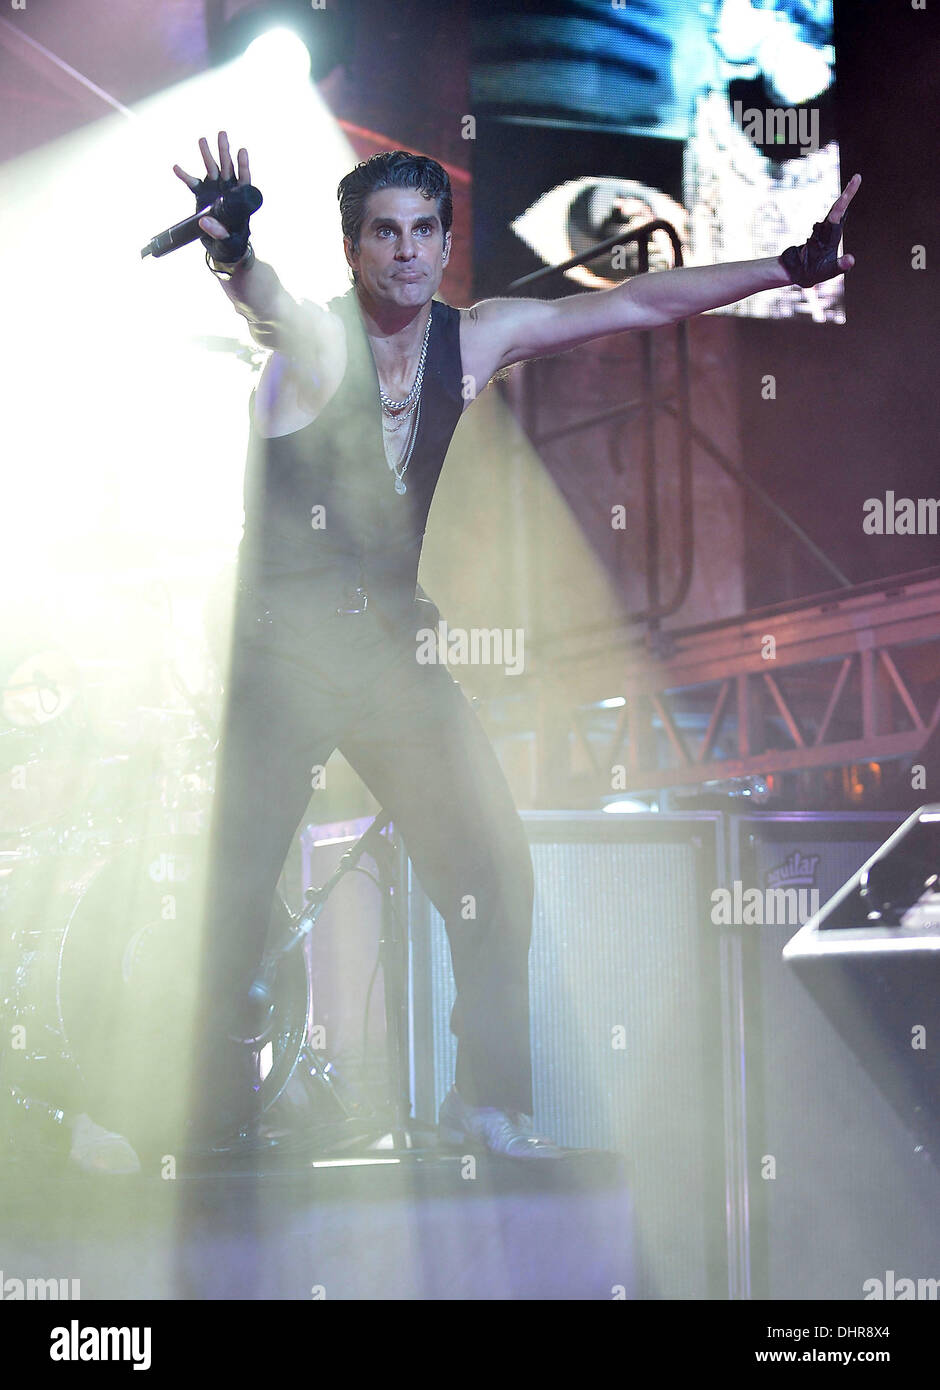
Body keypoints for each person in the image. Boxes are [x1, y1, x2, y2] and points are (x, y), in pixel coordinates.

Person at [173, 132, 859, 1159]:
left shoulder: (477, 337)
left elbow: (630, 303)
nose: (404, 252)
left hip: (389, 656)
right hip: (282, 658)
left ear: (445, 243)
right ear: (353, 249)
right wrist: (231, 253)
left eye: (421, 232)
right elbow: (260, 299)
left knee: (493, 865)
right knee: (236, 889)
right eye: (382, 234)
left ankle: (484, 1098)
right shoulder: (317, 343)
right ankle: (211, 1117)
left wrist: (787, 267)